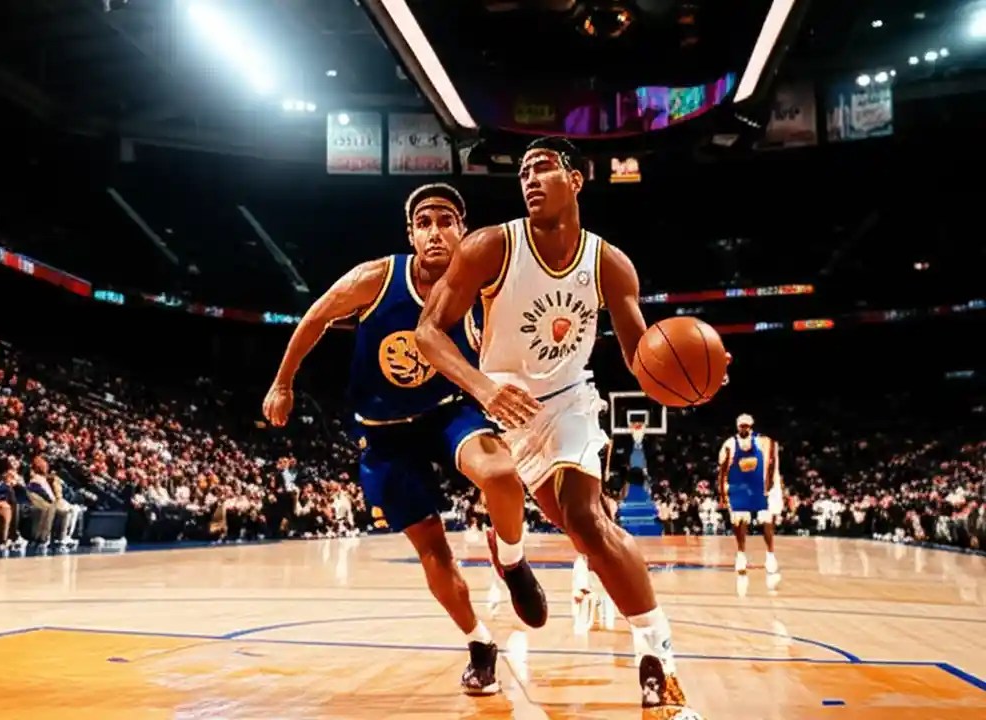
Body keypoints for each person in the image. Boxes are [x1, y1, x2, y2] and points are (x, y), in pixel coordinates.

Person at [415, 137, 714, 719]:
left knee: (587, 520)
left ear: (575, 181)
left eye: (543, 167)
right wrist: (483, 387)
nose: (529, 178)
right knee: (562, 518)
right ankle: (512, 555)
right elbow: (429, 333)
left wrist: (689, 376)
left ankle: (659, 662)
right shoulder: (490, 247)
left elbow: (641, 355)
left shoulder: (609, 262)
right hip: (502, 409)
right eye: (523, 171)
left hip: (571, 401)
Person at [262, 183, 546, 695]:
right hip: (384, 434)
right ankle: (480, 644)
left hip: (446, 414)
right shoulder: (377, 277)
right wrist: (282, 383)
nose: (435, 232)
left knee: (503, 475)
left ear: (464, 230)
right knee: (435, 553)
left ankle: (511, 558)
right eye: (425, 223)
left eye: (446, 221)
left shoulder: (484, 287)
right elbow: (315, 316)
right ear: (411, 234)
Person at [717, 414, 780, 583]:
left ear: (751, 426)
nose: (744, 428)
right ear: (737, 427)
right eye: (741, 426)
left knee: (766, 521)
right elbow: (722, 471)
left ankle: (770, 555)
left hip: (759, 486)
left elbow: (771, 462)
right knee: (740, 522)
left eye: (747, 426)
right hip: (739, 487)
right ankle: (741, 554)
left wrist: (770, 485)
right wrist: (722, 494)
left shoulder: (761, 442)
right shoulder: (729, 444)